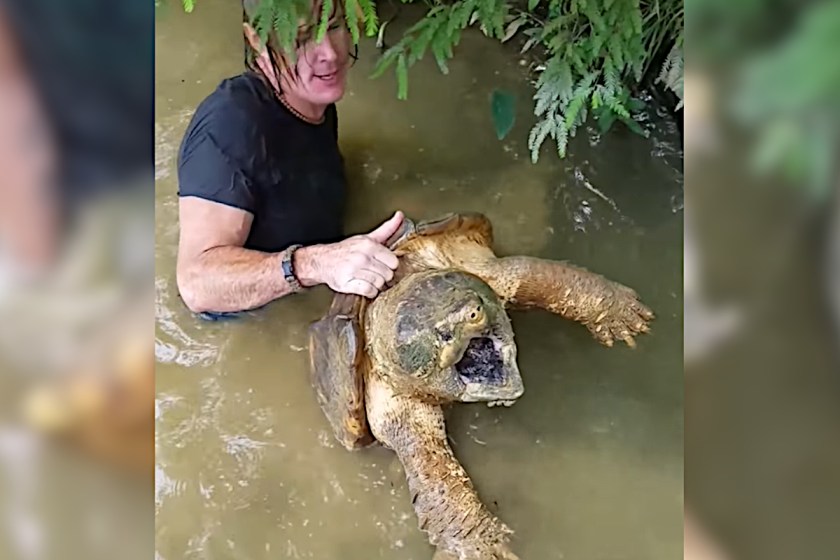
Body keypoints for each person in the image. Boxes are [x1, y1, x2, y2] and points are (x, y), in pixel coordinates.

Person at [175, 0, 404, 317]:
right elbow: (196, 284)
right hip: (254, 323)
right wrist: (315, 264)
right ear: (256, 40)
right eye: (301, 38)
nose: (330, 53)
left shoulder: (311, 94)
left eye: (334, 25)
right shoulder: (230, 126)